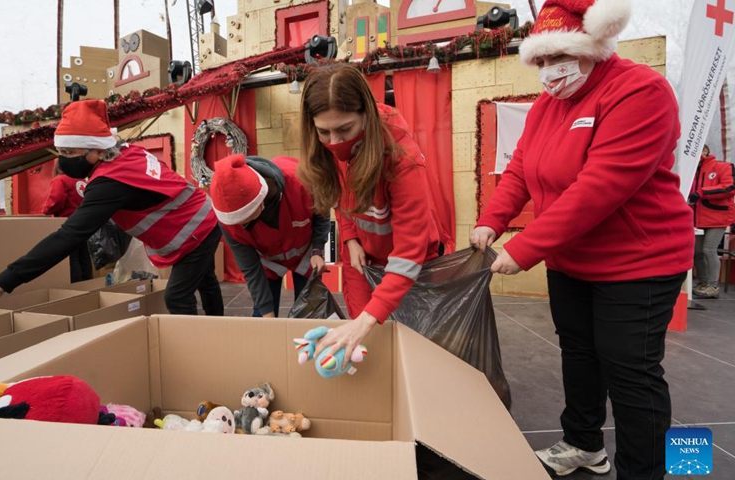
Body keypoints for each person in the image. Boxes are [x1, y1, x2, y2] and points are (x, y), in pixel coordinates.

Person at [469, 0, 694, 478]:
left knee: (631, 372)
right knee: (580, 355)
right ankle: (583, 444)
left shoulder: (640, 91)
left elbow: (600, 188)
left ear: (593, 46)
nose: (551, 71)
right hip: (572, 260)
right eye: (542, 61)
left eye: (559, 56)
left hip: (640, 261)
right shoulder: (549, 107)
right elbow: (520, 172)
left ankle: (645, 470)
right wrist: (492, 220)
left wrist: (525, 247)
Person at [0, 99, 223, 321]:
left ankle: (198, 342)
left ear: (96, 151)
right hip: (200, 220)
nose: (63, 163)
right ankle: (218, 326)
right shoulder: (127, 152)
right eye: (60, 154)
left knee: (177, 296)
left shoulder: (110, 182)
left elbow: (69, 235)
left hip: (194, 231)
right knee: (206, 280)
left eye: (70, 154)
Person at [296, 63, 441, 363]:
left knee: (409, 341)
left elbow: (410, 252)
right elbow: (340, 197)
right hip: (363, 258)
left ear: (366, 115)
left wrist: (366, 320)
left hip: (411, 266)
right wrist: (349, 238)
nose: (335, 143)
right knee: (364, 346)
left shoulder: (403, 159)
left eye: (345, 129)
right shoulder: (325, 147)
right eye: (324, 132)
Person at [209, 154, 330, 317]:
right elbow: (250, 269)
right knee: (263, 319)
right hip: (268, 263)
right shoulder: (229, 219)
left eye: (245, 220)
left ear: (260, 202)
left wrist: (317, 250)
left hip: (306, 258)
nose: (240, 226)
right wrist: (267, 316)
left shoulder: (301, 181)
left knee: (308, 318)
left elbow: (322, 212)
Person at [689, 145, 735, 299]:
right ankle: (704, 283)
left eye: (701, 150)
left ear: (706, 151)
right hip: (698, 217)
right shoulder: (692, 169)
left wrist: (702, 193)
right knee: (697, 253)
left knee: (709, 250)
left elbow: (729, 188)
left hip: (718, 217)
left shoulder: (722, 166)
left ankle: (713, 286)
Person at [42, 163, 92, 283]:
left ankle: (75, 287)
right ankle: (88, 284)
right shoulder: (82, 181)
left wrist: (45, 210)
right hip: (84, 222)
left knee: (71, 258)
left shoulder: (60, 180)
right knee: (84, 257)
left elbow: (56, 201)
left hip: (67, 223)